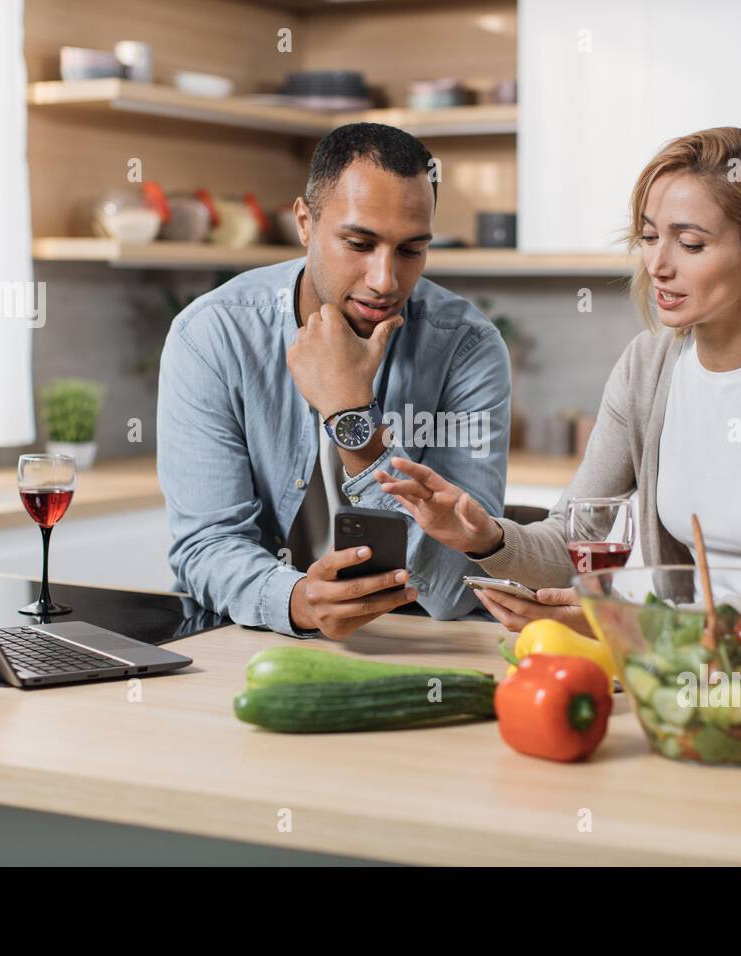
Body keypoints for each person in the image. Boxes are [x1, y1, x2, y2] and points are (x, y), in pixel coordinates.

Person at [375, 126, 741, 639]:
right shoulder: (649, 364)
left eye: (690, 243)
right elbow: (573, 540)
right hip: (698, 659)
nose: (658, 264)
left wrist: (626, 624)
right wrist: (484, 538)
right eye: (648, 236)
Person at [157, 123, 510, 639]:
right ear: (305, 222)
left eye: (411, 250)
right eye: (359, 243)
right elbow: (206, 546)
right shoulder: (212, 336)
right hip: (247, 636)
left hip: (422, 641)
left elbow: (458, 585)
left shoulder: (466, 349)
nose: (385, 281)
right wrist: (298, 600)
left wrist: (353, 421)